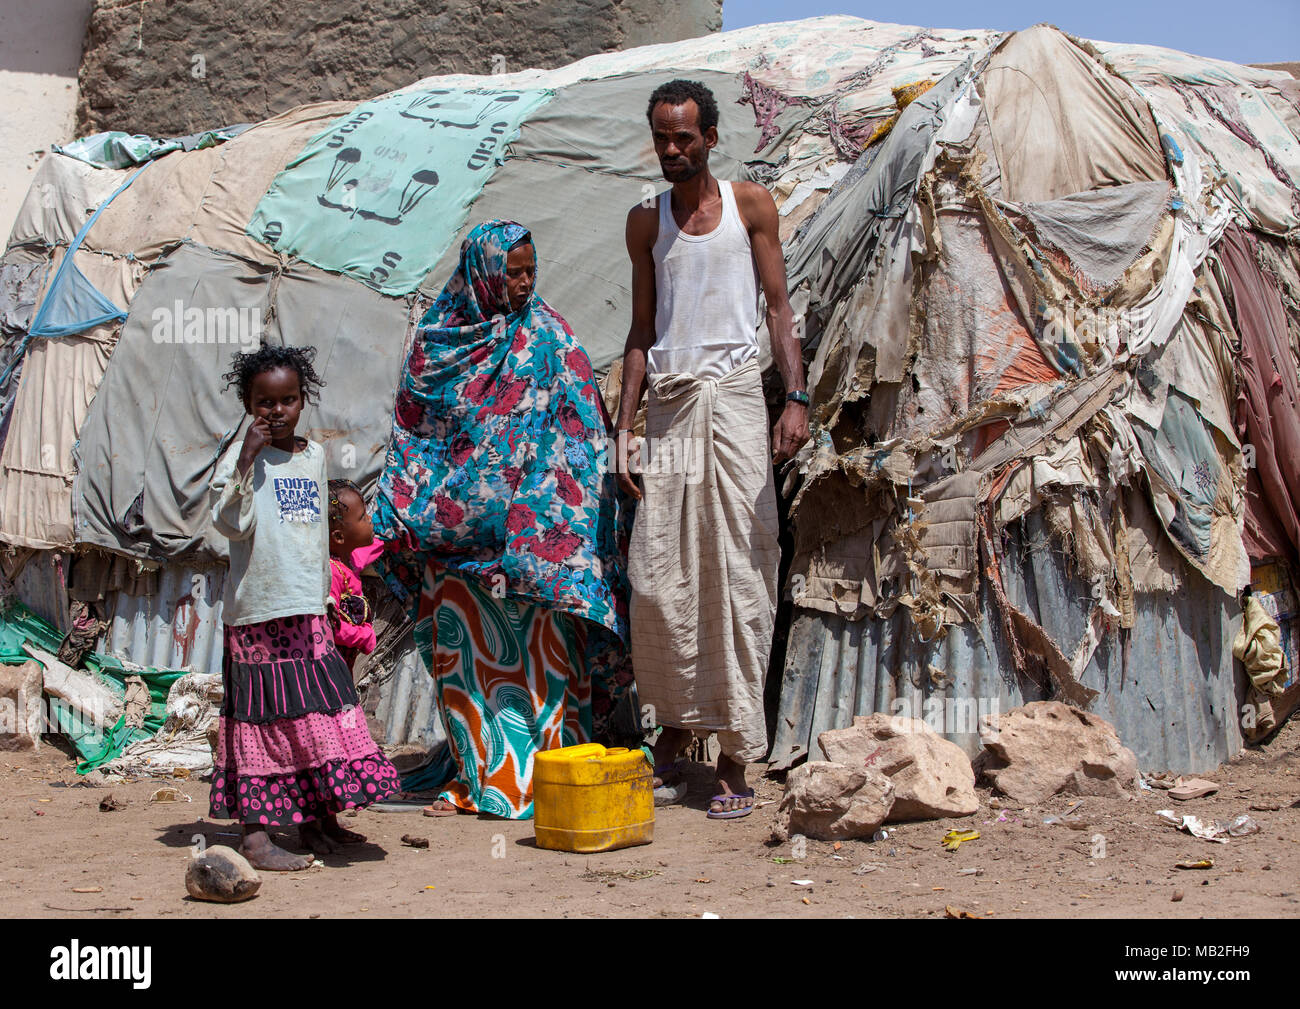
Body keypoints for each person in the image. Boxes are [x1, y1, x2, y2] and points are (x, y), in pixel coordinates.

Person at [372, 219, 633, 820]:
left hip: (530, 550)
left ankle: (544, 772)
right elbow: (417, 436)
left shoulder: (550, 338)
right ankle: (482, 771)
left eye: (528, 271)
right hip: (452, 546)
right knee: (468, 663)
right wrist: (431, 510)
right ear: (480, 272)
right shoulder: (439, 344)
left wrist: (542, 523)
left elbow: (581, 438)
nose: (522, 283)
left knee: (538, 661)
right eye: (510, 272)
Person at [616, 79, 811, 819]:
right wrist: (623, 429)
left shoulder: (749, 206)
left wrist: (794, 397)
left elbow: (779, 307)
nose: (672, 150)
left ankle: (733, 754)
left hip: (731, 401)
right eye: (662, 138)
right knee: (661, 572)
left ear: (711, 137)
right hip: (667, 406)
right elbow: (641, 332)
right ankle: (672, 731)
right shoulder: (644, 222)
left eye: (685, 138)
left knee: (738, 571)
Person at [208, 345, 400, 868]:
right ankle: (255, 838)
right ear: (249, 404)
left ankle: (319, 821)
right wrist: (246, 462)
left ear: (302, 401)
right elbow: (231, 525)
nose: (276, 411)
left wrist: (327, 596)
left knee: (319, 711)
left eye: (287, 400)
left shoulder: (313, 458)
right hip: (257, 612)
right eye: (264, 402)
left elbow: (316, 535)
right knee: (261, 717)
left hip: (307, 609)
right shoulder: (237, 459)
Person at [326, 479, 385, 672]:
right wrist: (364, 636)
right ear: (339, 537)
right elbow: (327, 627)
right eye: (362, 517)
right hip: (331, 668)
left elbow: (380, 542)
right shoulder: (332, 572)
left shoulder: (351, 558)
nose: (369, 519)